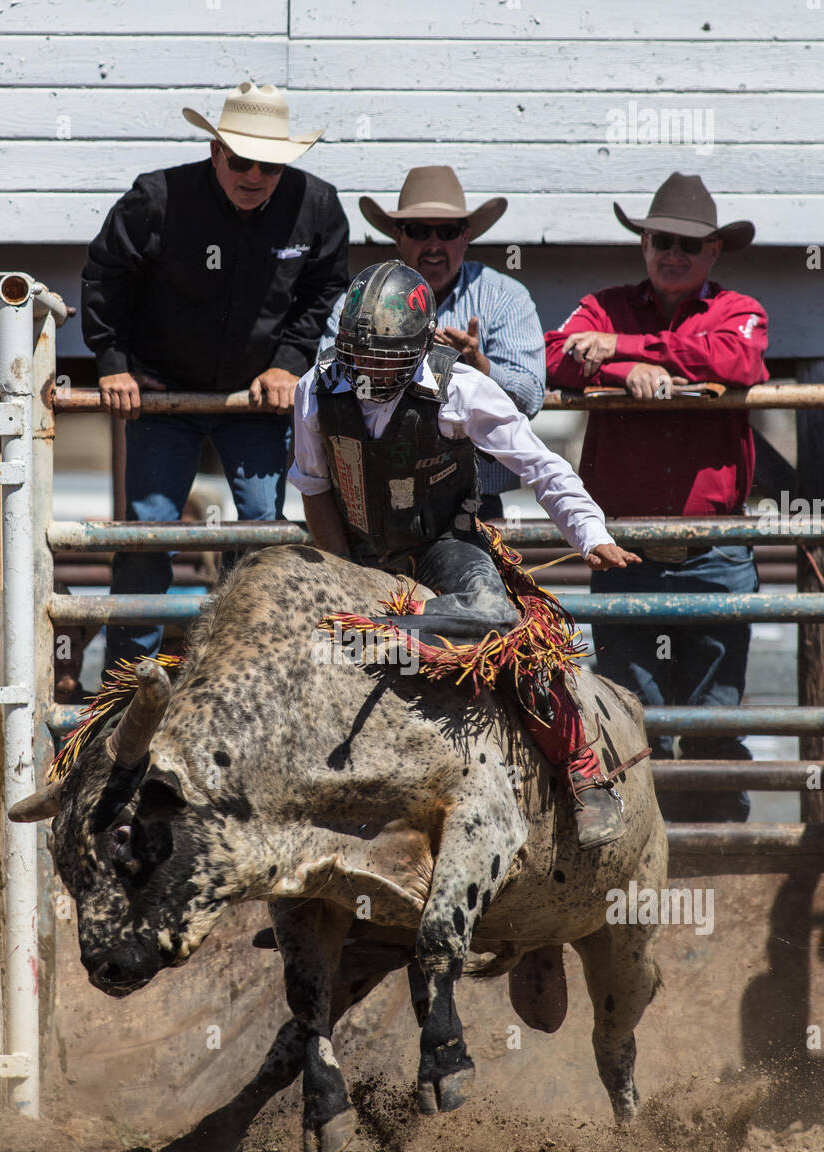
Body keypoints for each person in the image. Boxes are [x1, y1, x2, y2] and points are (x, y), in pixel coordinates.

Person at [291, 260, 641, 851]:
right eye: (359, 351)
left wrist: (590, 534)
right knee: (294, 657)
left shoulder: (460, 386)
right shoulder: (315, 390)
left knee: (511, 630)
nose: (371, 366)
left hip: (444, 544)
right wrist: (345, 576)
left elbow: (539, 464)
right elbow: (315, 487)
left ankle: (584, 774)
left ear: (419, 345)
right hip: (360, 554)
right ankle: (292, 838)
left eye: (386, 353)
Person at [82, 82, 349, 668]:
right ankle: (127, 684)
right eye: (241, 160)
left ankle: (245, 670)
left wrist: (289, 363)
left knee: (259, 532)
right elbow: (105, 275)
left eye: (271, 165)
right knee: (149, 535)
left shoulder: (318, 207)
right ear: (215, 151)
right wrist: (114, 363)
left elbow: (326, 288)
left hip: (252, 400)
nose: (254, 175)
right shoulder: (157, 198)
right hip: (164, 394)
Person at [544, 174, 769, 822]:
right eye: (661, 240)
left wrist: (623, 349)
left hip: (712, 547)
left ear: (713, 253)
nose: (673, 253)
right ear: (644, 243)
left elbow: (737, 361)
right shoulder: (600, 305)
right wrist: (623, 369)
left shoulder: (738, 309)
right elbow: (554, 356)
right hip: (629, 548)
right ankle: (641, 849)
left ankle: (715, 848)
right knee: (626, 709)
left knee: (712, 715)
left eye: (688, 245)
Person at [319, 166, 546, 519]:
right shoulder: (359, 296)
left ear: (466, 236)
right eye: (420, 231)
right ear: (398, 235)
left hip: (473, 499)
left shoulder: (504, 297)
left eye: (448, 231)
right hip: (377, 494)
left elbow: (531, 399)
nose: (434, 244)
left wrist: (480, 367)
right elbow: (327, 379)